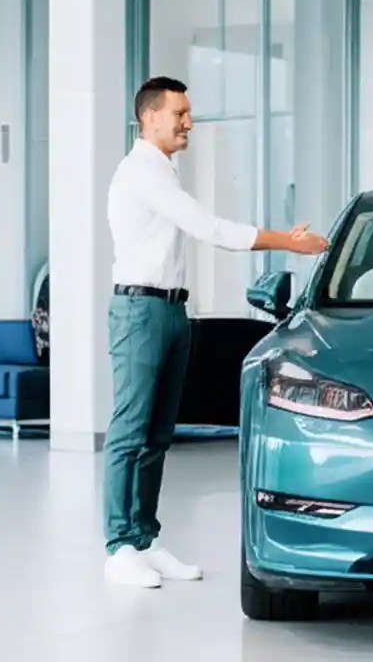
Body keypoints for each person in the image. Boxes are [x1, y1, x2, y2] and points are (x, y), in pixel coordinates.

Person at [102, 76, 329, 588]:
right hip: (140, 312)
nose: (189, 122)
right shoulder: (141, 171)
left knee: (159, 433)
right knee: (129, 431)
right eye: (179, 113)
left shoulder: (163, 171)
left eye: (188, 113)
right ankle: (118, 546)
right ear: (150, 116)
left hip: (170, 311)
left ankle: (143, 540)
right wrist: (287, 243)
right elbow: (209, 229)